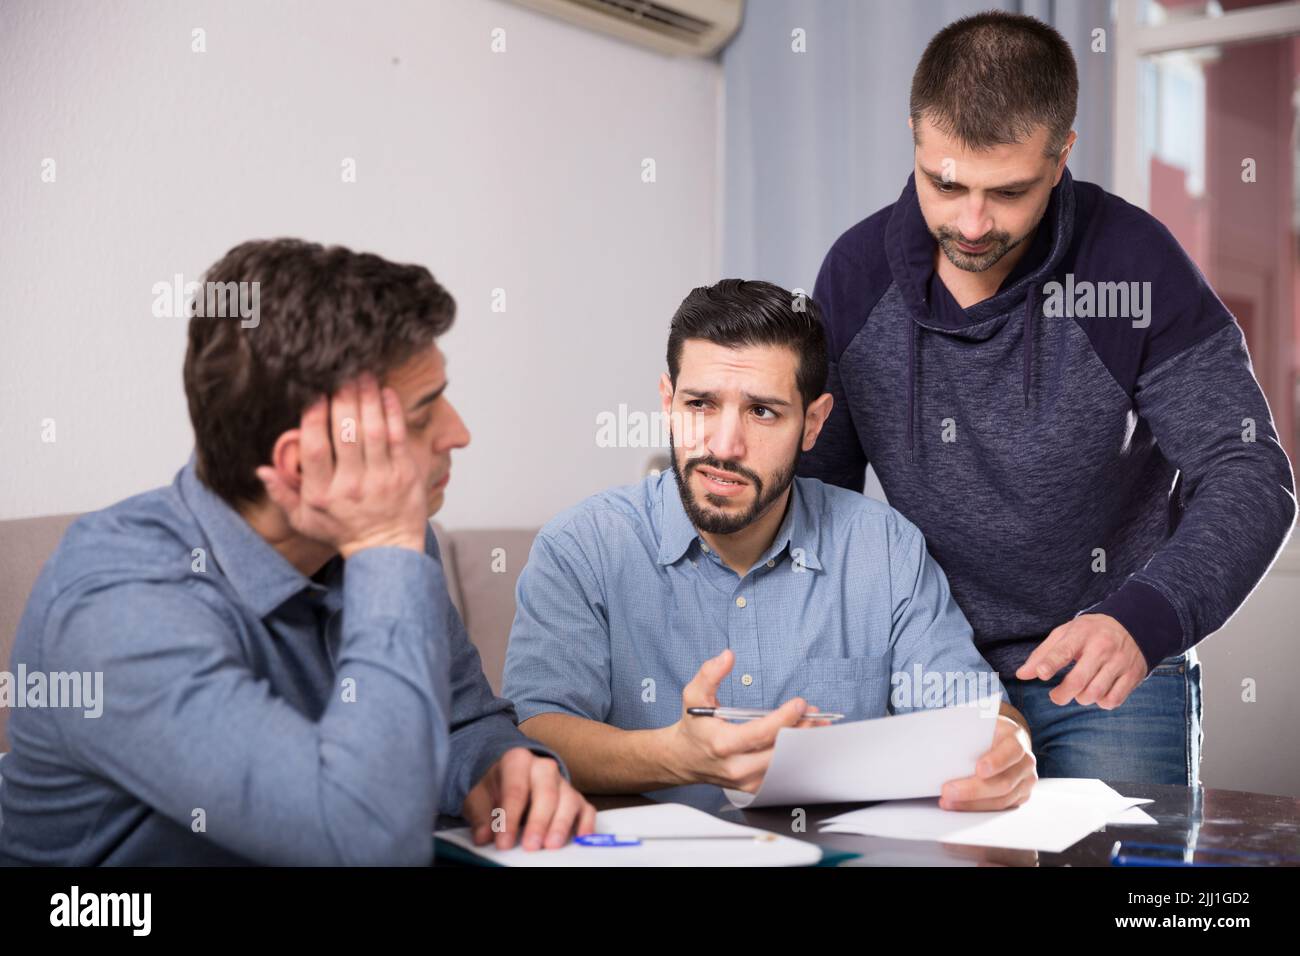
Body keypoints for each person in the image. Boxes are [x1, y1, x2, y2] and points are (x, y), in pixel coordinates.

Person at [797, 11, 1296, 783]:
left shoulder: (1134, 264)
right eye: (946, 182)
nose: (969, 222)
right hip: (933, 671)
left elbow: (1250, 473)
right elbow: (814, 499)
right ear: (916, 137)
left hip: (1110, 673)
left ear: (1062, 155)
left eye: (1008, 192)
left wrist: (1146, 617)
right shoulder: (856, 275)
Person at [0, 239, 594, 865]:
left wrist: (501, 766)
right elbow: (364, 843)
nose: (460, 432)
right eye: (421, 416)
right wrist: (385, 554)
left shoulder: (382, 534)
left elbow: (459, 721)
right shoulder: (117, 607)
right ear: (302, 462)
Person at [504, 278, 1036, 810]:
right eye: (700, 404)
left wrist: (1008, 747)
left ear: (813, 423)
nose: (724, 446)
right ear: (668, 402)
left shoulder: (885, 548)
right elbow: (538, 732)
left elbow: (974, 711)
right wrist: (676, 756)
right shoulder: (581, 547)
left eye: (763, 411)